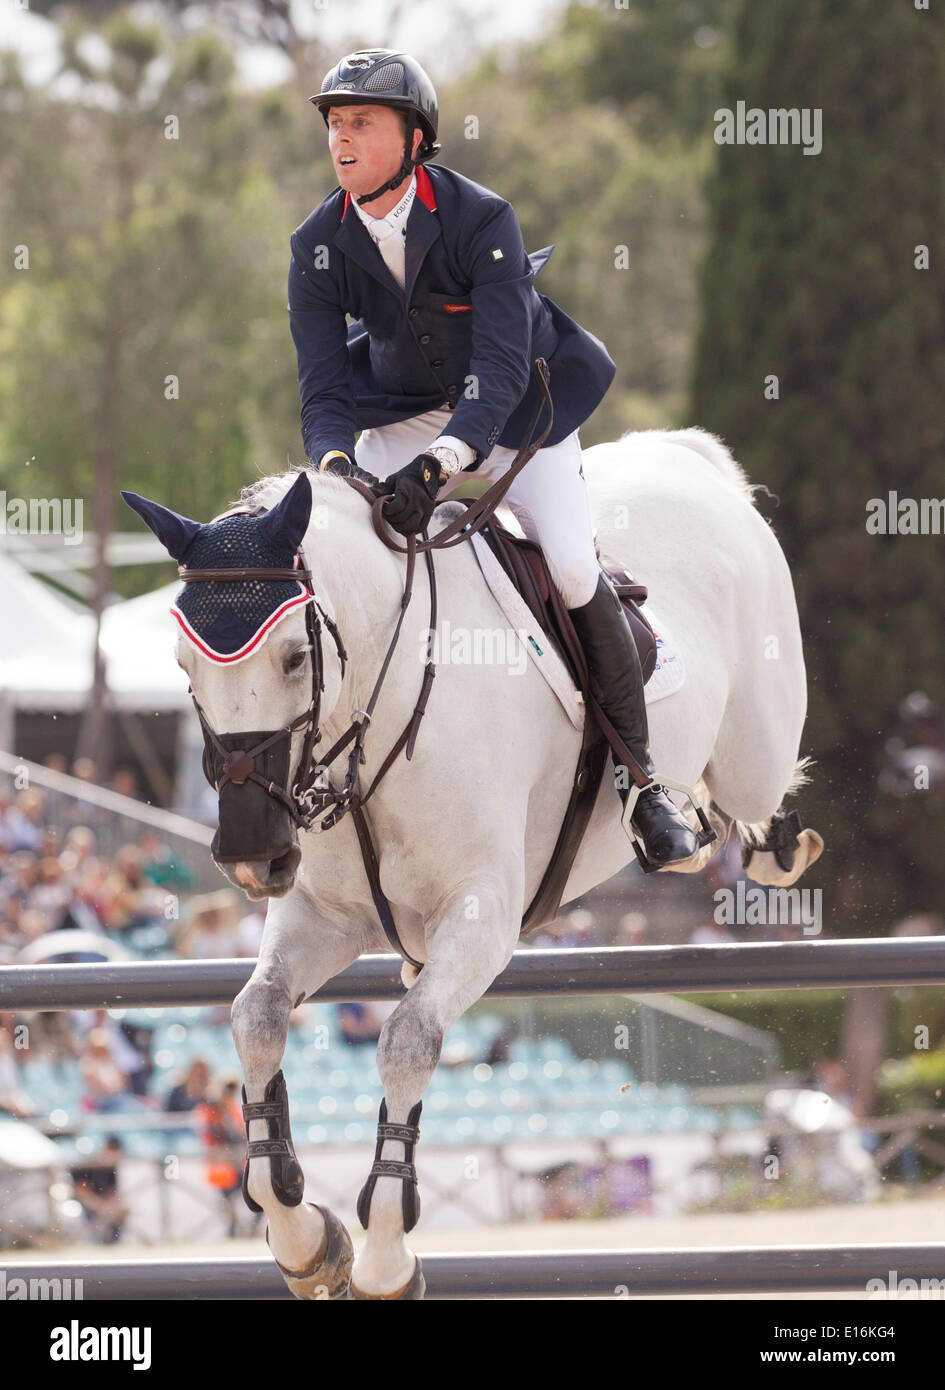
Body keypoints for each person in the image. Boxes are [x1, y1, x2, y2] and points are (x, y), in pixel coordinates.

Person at [287, 48, 699, 869]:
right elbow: (323, 390)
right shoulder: (315, 243)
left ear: (414, 138)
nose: (341, 138)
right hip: (401, 412)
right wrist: (338, 471)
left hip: (516, 406)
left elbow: (500, 370)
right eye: (335, 123)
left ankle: (644, 785)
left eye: (361, 122)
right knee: (339, 545)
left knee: (574, 567)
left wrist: (438, 468)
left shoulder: (481, 218)